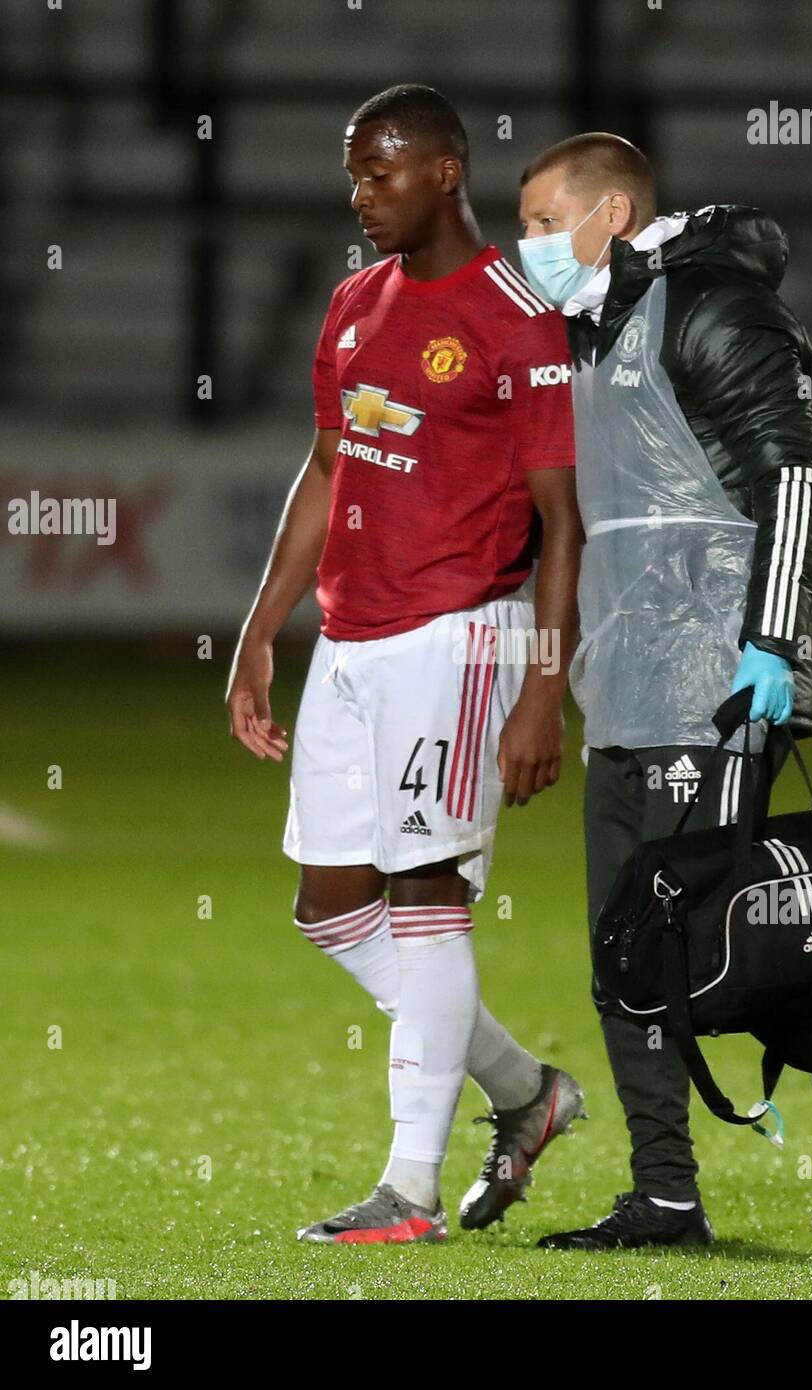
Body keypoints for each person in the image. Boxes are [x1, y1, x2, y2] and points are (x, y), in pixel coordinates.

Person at [516, 133, 812, 1251]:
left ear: (609, 213)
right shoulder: (585, 330)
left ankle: (754, 1145)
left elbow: (796, 476)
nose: (529, 245)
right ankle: (718, 1167)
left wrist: (769, 643)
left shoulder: (711, 307)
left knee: (668, 943)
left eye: (544, 222)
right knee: (642, 944)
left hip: (714, 675)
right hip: (626, 676)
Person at [226, 86, 585, 1245]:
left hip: (458, 636)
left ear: (442, 173)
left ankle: (409, 1191)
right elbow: (329, 471)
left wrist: (542, 687)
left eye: (379, 175)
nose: (361, 197)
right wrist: (258, 631)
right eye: (352, 178)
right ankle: (527, 1091)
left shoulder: (514, 316)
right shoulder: (353, 302)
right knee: (330, 907)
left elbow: (562, 523)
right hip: (349, 635)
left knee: (427, 897)